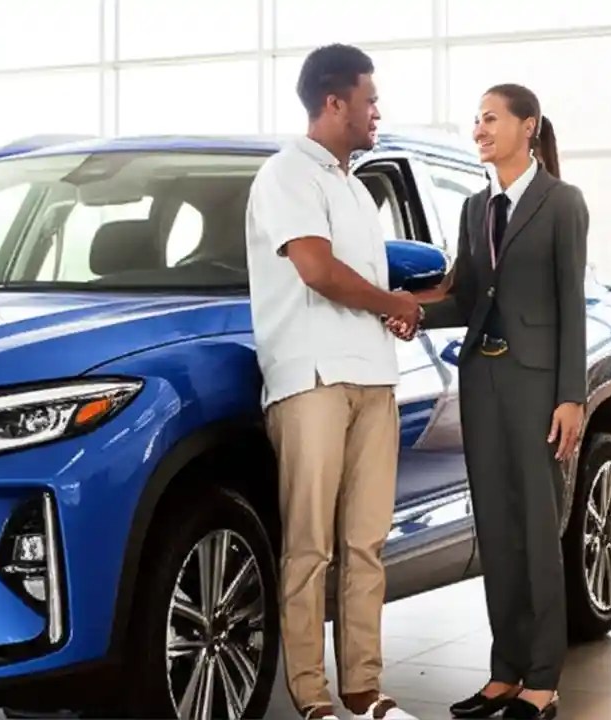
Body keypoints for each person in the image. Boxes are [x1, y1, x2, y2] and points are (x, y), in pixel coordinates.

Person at [245, 43, 421, 720]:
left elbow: (357, 278)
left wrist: (397, 309)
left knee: (365, 544)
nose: (377, 111)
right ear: (333, 101)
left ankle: (364, 691)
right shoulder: (288, 174)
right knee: (310, 546)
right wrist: (392, 303)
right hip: (311, 378)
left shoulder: (354, 183)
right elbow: (315, 270)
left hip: (372, 376)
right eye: (368, 100)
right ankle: (312, 697)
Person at [404, 84, 587, 720]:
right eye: (475, 119)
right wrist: (406, 311)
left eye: (490, 118)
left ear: (527, 126)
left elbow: (572, 304)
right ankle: (503, 673)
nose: (478, 129)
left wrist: (571, 396)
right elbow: (465, 297)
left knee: (538, 531)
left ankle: (543, 680)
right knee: (498, 532)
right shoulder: (476, 207)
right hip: (482, 380)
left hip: (539, 386)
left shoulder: (562, 203)